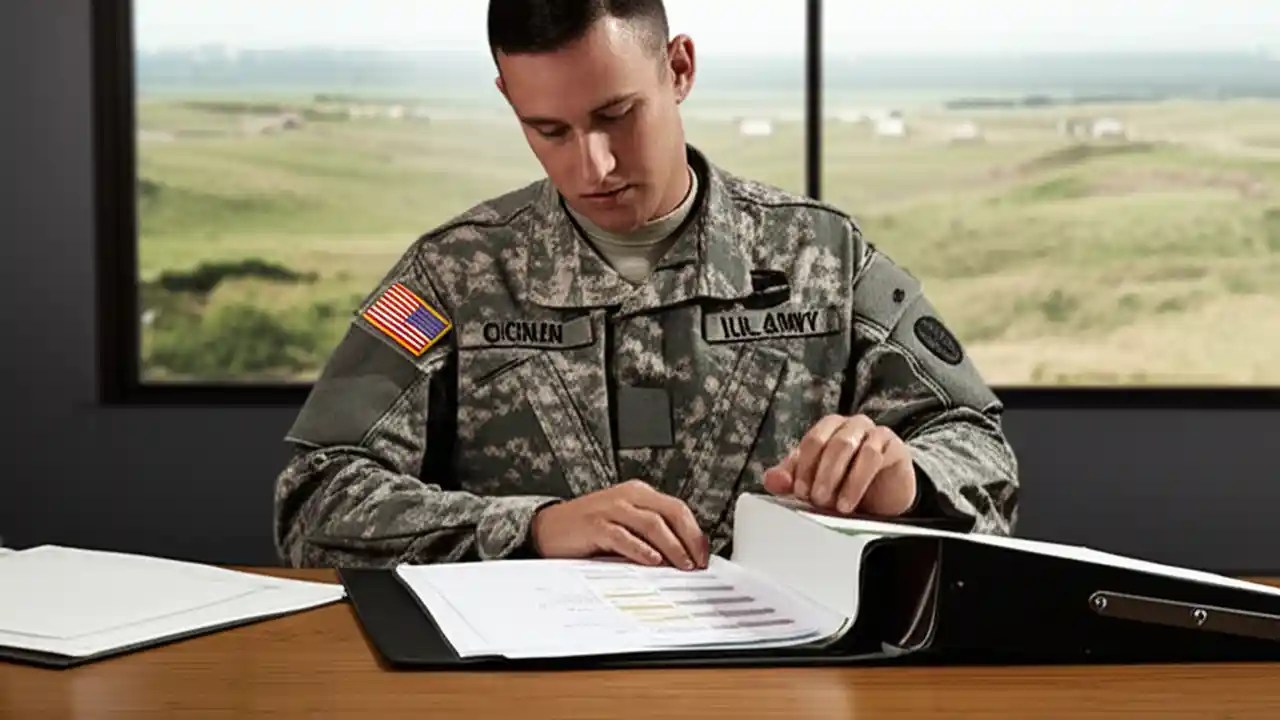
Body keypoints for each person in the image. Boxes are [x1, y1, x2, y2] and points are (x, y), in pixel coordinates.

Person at [273, 0, 1019, 570]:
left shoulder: (821, 256)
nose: (592, 166)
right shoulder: (452, 274)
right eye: (549, 130)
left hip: (779, 677)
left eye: (616, 115)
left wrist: (905, 480)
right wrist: (531, 527)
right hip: (531, 687)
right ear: (507, 98)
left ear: (680, 68)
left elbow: (982, 457)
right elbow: (316, 500)